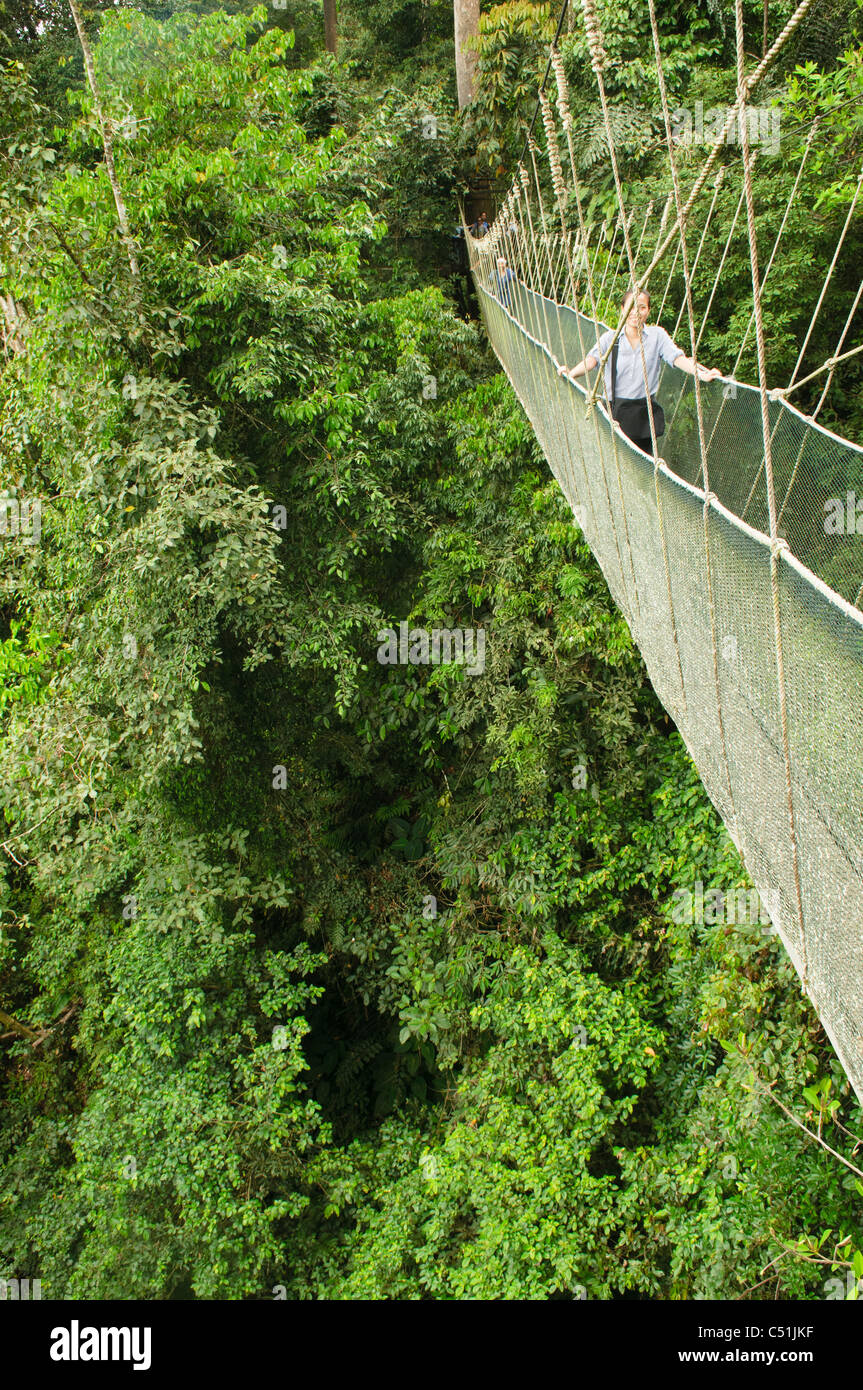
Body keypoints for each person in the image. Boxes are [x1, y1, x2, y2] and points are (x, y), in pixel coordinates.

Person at [556, 288, 724, 453]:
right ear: (622, 309)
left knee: (642, 468)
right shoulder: (610, 339)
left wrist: (701, 374)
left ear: (648, 311)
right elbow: (591, 361)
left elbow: (677, 358)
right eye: (631, 307)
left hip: (643, 417)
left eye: (642, 307)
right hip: (614, 414)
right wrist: (571, 373)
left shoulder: (657, 336)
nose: (636, 312)